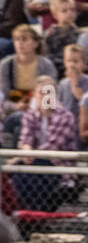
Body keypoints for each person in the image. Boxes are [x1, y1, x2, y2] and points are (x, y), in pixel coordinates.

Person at [12, 76, 78, 211]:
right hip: (34, 163)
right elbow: (25, 139)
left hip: (57, 166)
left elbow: (53, 146)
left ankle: (34, 215)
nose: (45, 97)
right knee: (22, 174)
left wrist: (26, 156)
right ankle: (30, 215)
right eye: (41, 93)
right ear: (35, 95)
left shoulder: (66, 116)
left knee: (29, 174)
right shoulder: (30, 115)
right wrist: (26, 151)